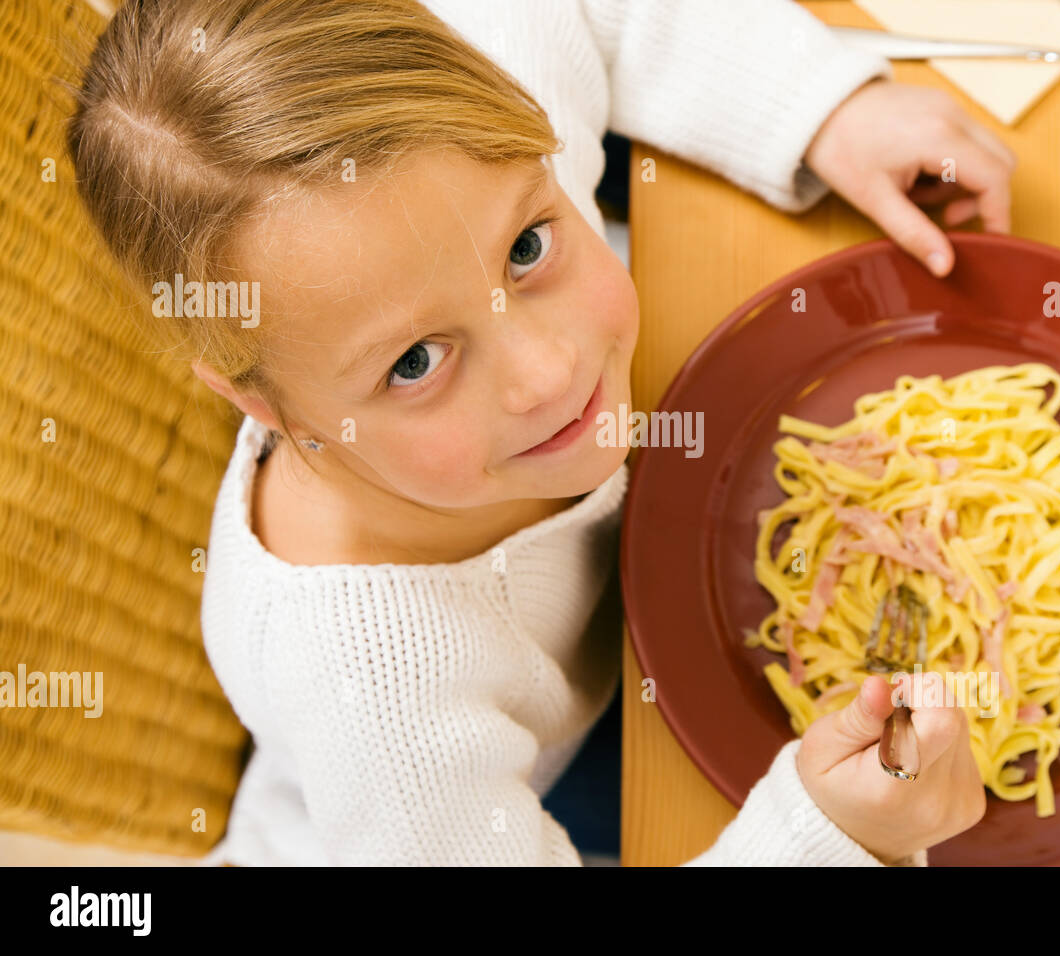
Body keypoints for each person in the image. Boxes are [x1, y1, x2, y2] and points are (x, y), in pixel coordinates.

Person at [67, 0, 1009, 865]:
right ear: (266, 410)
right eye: (415, 363)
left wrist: (818, 110)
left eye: (527, 248)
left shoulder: (462, 131)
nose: (548, 373)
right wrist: (831, 838)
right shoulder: (374, 693)